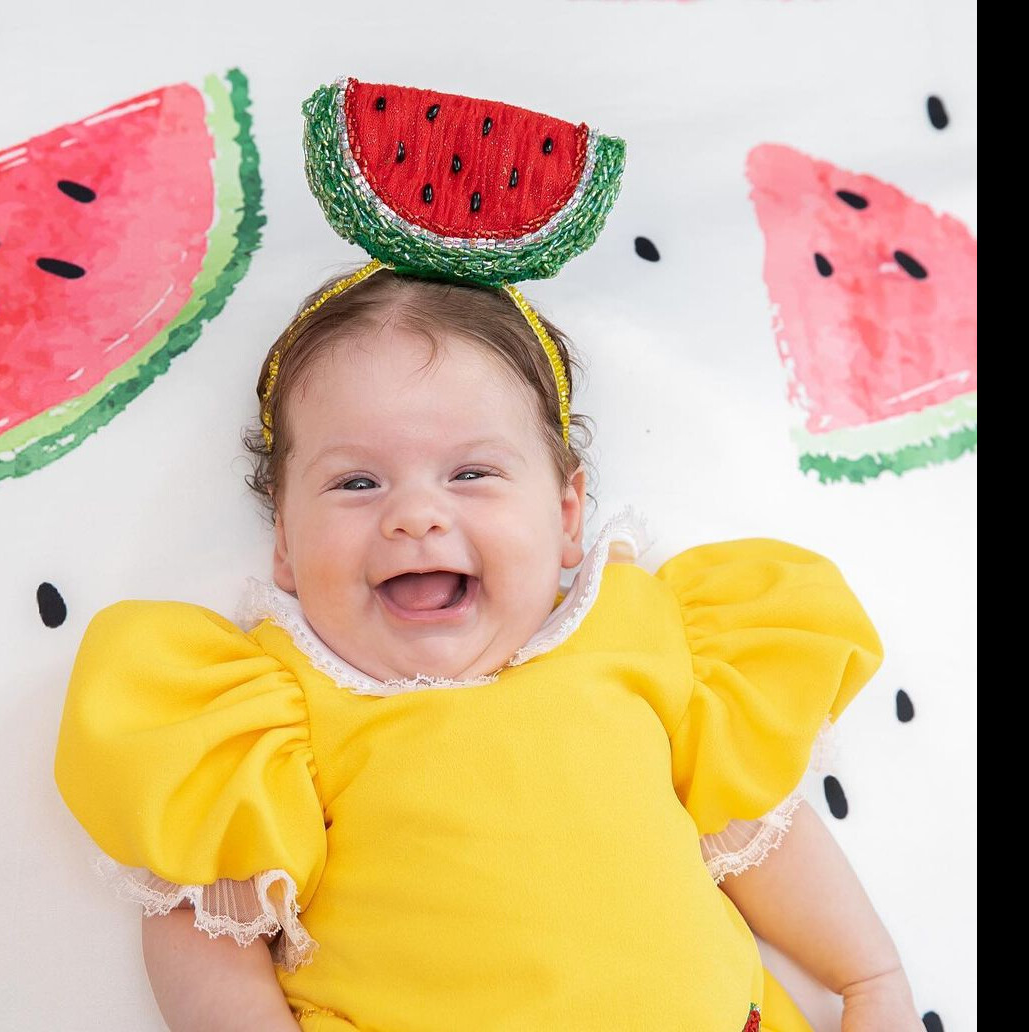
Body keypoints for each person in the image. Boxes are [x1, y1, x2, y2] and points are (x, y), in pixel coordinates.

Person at [55, 79, 924, 1032]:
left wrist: (870, 978)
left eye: (471, 474)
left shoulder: (644, 635)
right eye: (356, 483)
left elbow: (758, 829)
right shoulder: (271, 715)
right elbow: (203, 929)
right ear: (286, 549)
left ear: (567, 517)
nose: (415, 517)